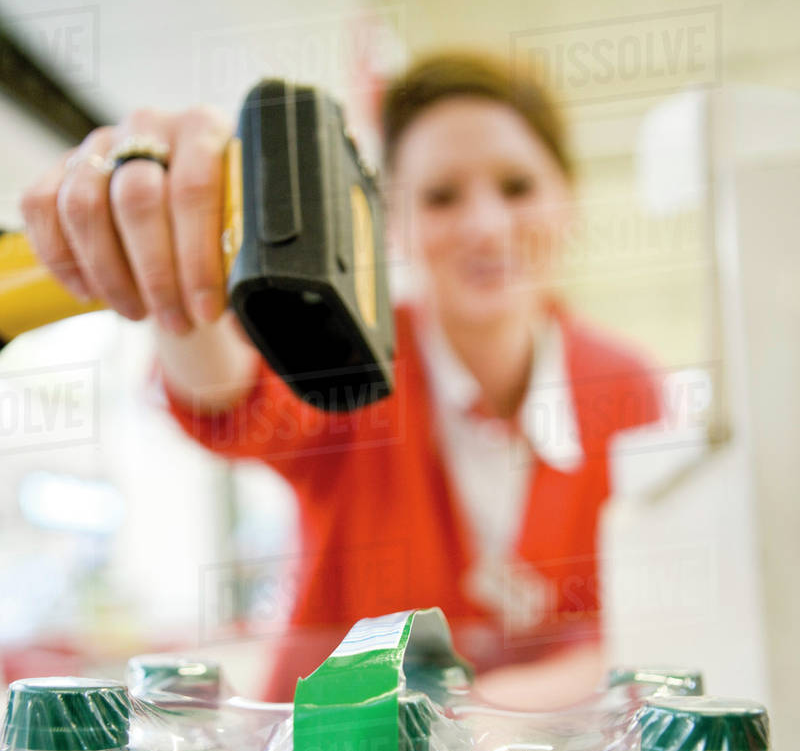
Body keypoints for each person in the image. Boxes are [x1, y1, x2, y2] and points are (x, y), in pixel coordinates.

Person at [20, 51, 660, 706]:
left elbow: (645, 625)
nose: (485, 226)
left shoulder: (627, 387)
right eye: (441, 196)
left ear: (568, 200)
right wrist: (181, 273)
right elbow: (230, 394)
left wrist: (489, 718)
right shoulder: (345, 344)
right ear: (395, 224)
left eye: (517, 187)